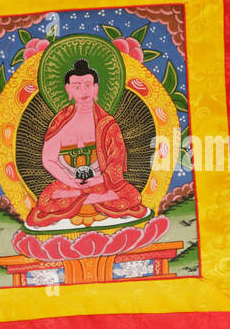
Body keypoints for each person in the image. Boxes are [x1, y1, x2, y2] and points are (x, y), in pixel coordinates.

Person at [26, 58, 147, 228]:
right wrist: (70, 181)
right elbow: (48, 159)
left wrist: (99, 179)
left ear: (96, 88)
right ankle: (92, 199)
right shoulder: (61, 121)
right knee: (45, 201)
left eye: (88, 85)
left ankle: (85, 199)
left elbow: (116, 160)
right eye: (77, 86)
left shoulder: (107, 123)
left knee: (133, 197)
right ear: (68, 89)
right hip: (69, 182)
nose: (83, 90)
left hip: (101, 183)